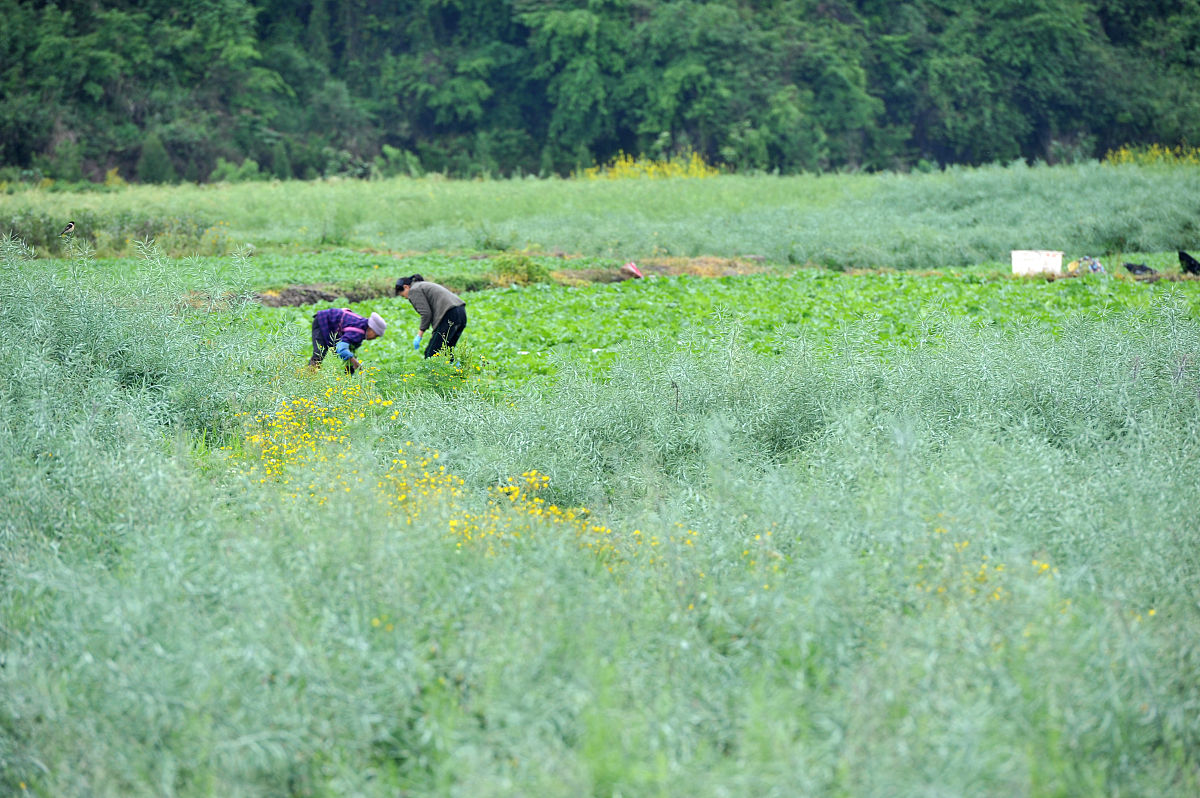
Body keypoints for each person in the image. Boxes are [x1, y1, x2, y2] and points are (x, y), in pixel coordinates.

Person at [395, 274, 467, 358]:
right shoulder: (422, 285)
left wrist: (419, 335)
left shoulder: (414, 290)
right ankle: (456, 369)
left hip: (449, 314)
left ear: (406, 287)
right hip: (461, 312)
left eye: (403, 295)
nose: (406, 298)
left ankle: (438, 370)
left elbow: (426, 313)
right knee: (447, 351)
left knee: (431, 354)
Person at [308, 307, 386, 374]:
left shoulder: (362, 325)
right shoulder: (358, 331)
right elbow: (341, 349)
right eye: (375, 335)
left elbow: (349, 350)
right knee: (319, 352)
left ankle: (348, 379)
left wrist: (351, 362)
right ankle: (309, 377)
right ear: (371, 329)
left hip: (332, 325)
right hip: (322, 321)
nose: (374, 338)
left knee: (349, 356)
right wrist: (355, 362)